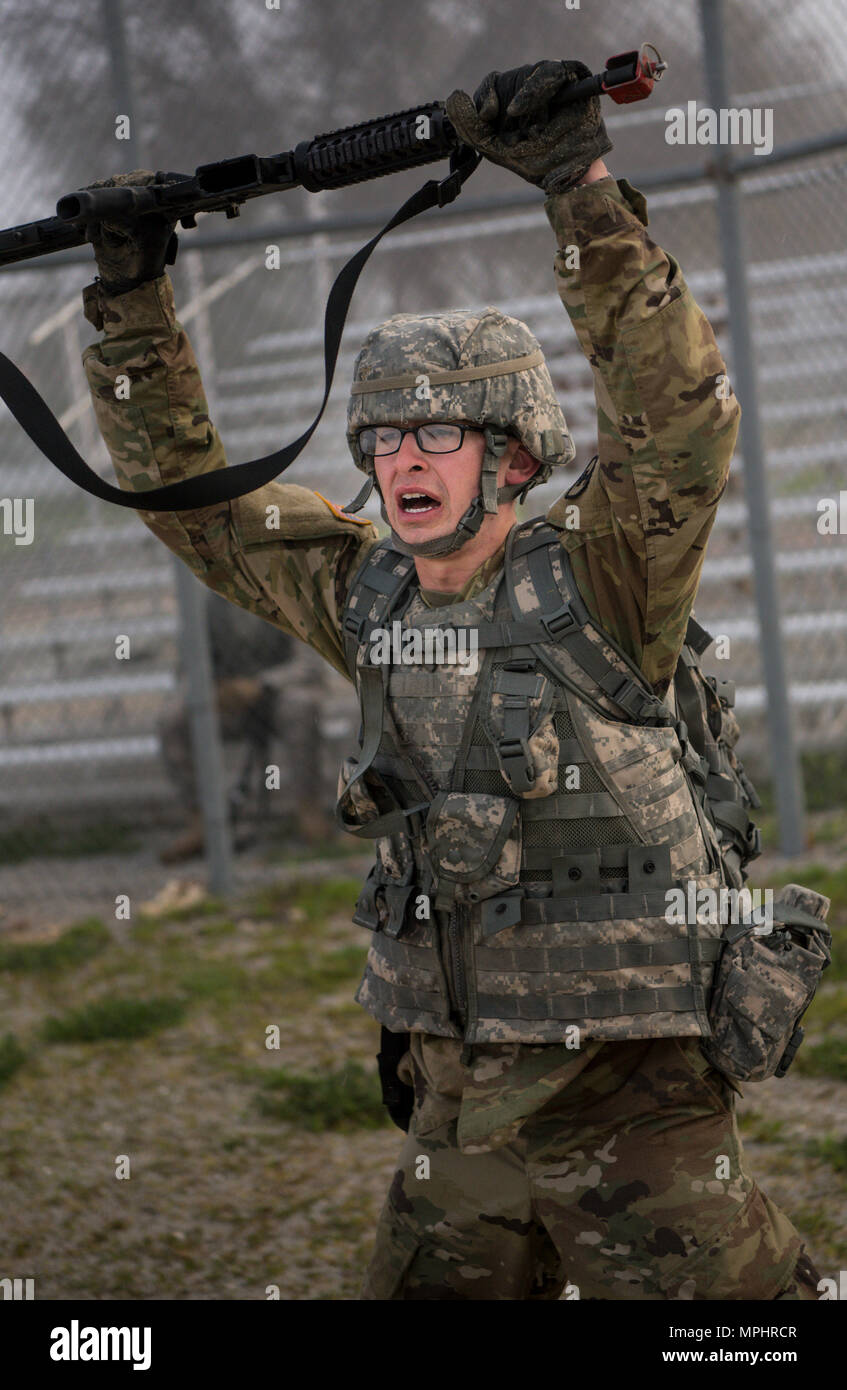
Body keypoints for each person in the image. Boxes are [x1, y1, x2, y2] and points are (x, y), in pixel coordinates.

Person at [80, 60, 822, 1300]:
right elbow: (200, 511)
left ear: (517, 455)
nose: (403, 459)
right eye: (383, 436)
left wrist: (581, 188)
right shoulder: (364, 595)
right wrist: (132, 296)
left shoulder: (605, 579)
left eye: (440, 432)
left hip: (629, 1112)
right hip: (454, 1106)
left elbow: (676, 414)